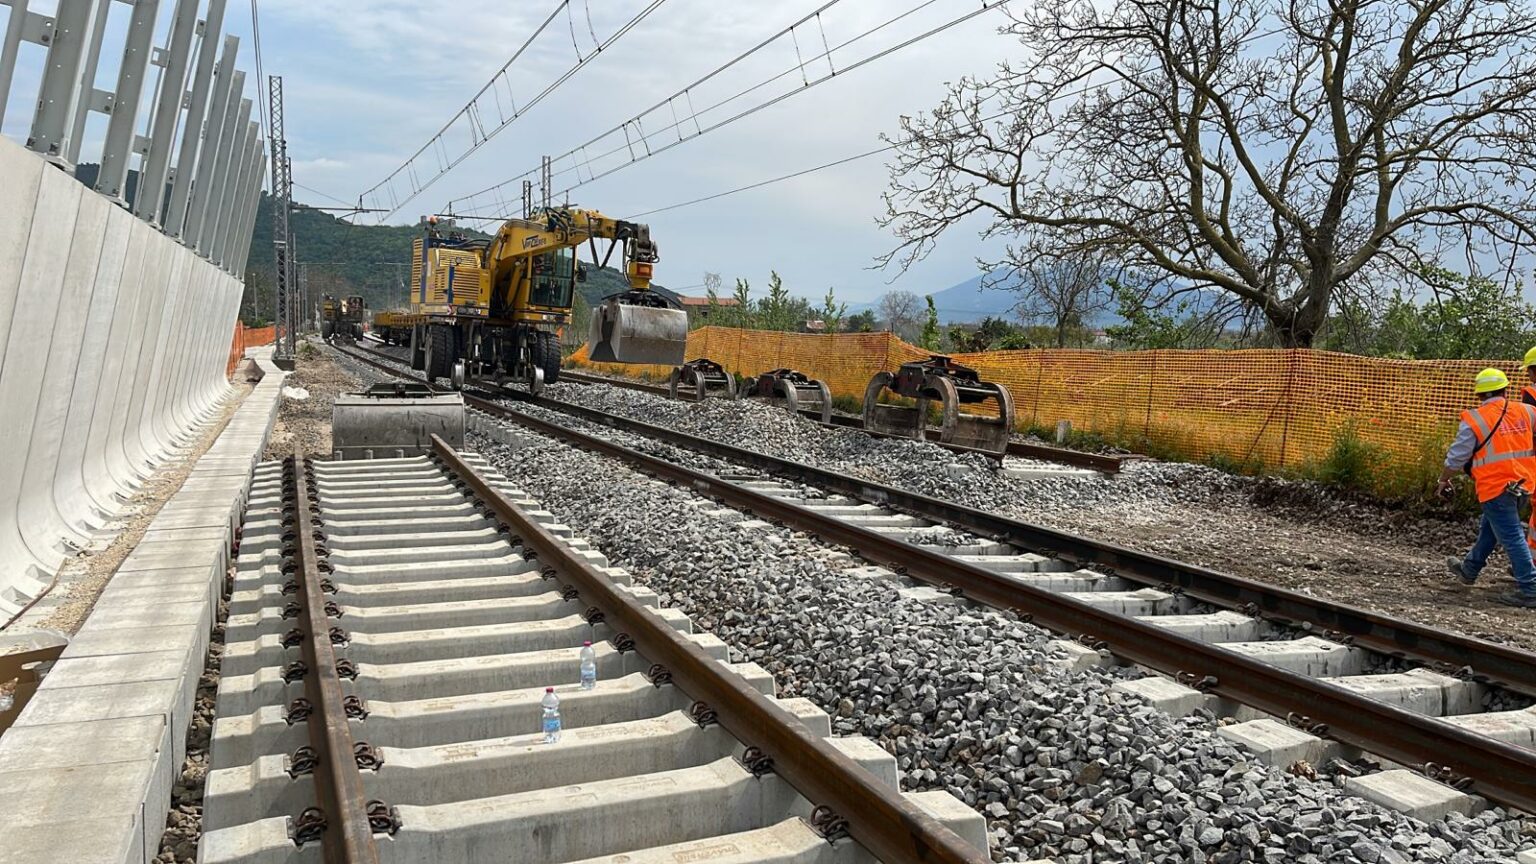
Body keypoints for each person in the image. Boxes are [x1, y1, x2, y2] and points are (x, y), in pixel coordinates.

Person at [1441, 368, 1536, 607]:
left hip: (1496, 487)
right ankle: (1469, 570)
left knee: (1512, 536)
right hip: (1524, 484)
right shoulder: (1526, 410)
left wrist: (1444, 479)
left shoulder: (1476, 419)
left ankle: (1531, 587)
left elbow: (1456, 458)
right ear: (1506, 389)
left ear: (1480, 395)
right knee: (1490, 529)